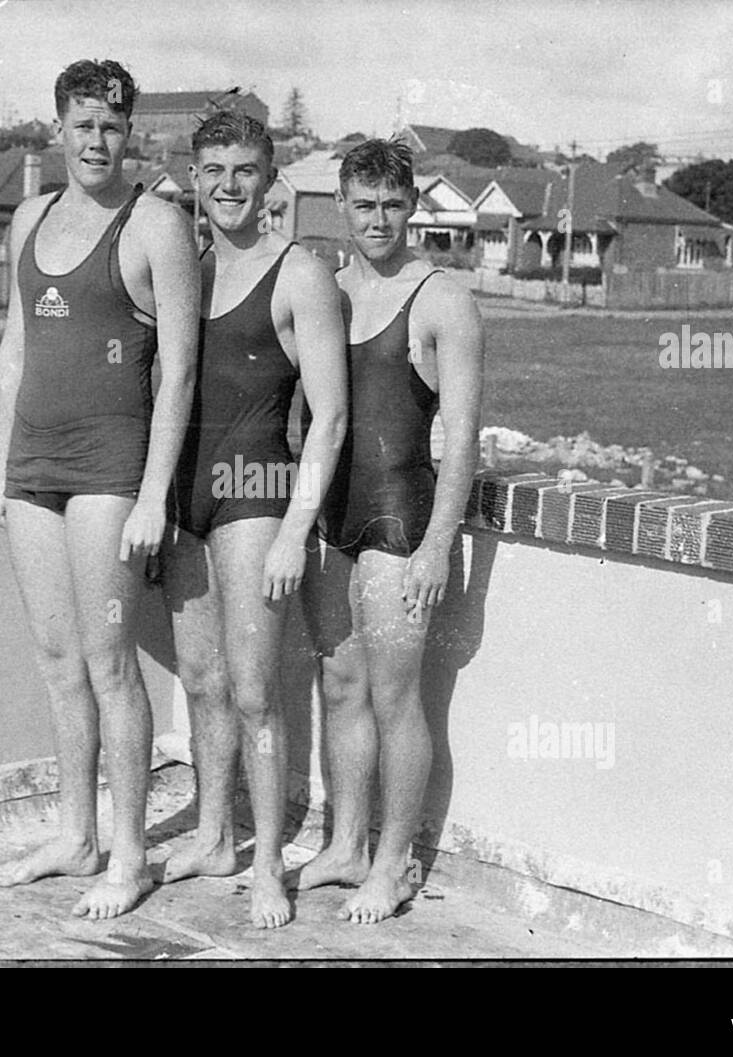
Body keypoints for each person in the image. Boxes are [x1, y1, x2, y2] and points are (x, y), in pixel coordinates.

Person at [0, 59, 200, 921]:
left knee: (111, 663)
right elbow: (13, 347)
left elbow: (179, 372)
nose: (97, 140)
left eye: (112, 125)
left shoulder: (156, 226)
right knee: (57, 658)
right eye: (83, 124)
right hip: (32, 468)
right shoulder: (29, 217)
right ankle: (75, 835)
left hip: (111, 470)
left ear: (129, 131)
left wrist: (153, 494)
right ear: (59, 130)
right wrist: (0, 469)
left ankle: (131, 855)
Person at [159, 110, 347, 929]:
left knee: (255, 689)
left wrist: (295, 530)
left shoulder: (299, 273)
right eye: (213, 170)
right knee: (202, 679)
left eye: (244, 170)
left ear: (270, 180)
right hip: (188, 494)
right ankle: (213, 837)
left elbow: (331, 417)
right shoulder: (188, 270)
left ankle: (268, 862)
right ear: (193, 180)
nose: (228, 185)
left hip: (256, 492)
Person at [298, 138, 484, 923]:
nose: (378, 220)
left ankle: (394, 862)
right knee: (341, 685)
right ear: (341, 205)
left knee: (396, 697)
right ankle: (346, 845)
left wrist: (439, 542)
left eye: (392, 205)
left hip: (399, 519)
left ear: (413, 207)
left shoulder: (443, 299)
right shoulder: (329, 291)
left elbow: (463, 438)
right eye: (363, 205)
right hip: (333, 515)